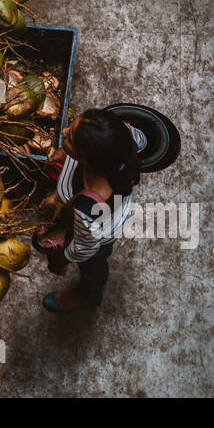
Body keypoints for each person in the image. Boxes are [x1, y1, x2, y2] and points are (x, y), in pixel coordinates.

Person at [35, 108, 146, 312]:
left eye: (69, 139)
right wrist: (64, 152)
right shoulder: (121, 139)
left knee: (94, 264)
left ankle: (88, 295)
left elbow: (85, 248)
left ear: (86, 160)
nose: (64, 132)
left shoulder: (89, 209)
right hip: (88, 224)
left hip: (95, 237)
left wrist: (63, 260)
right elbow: (141, 139)